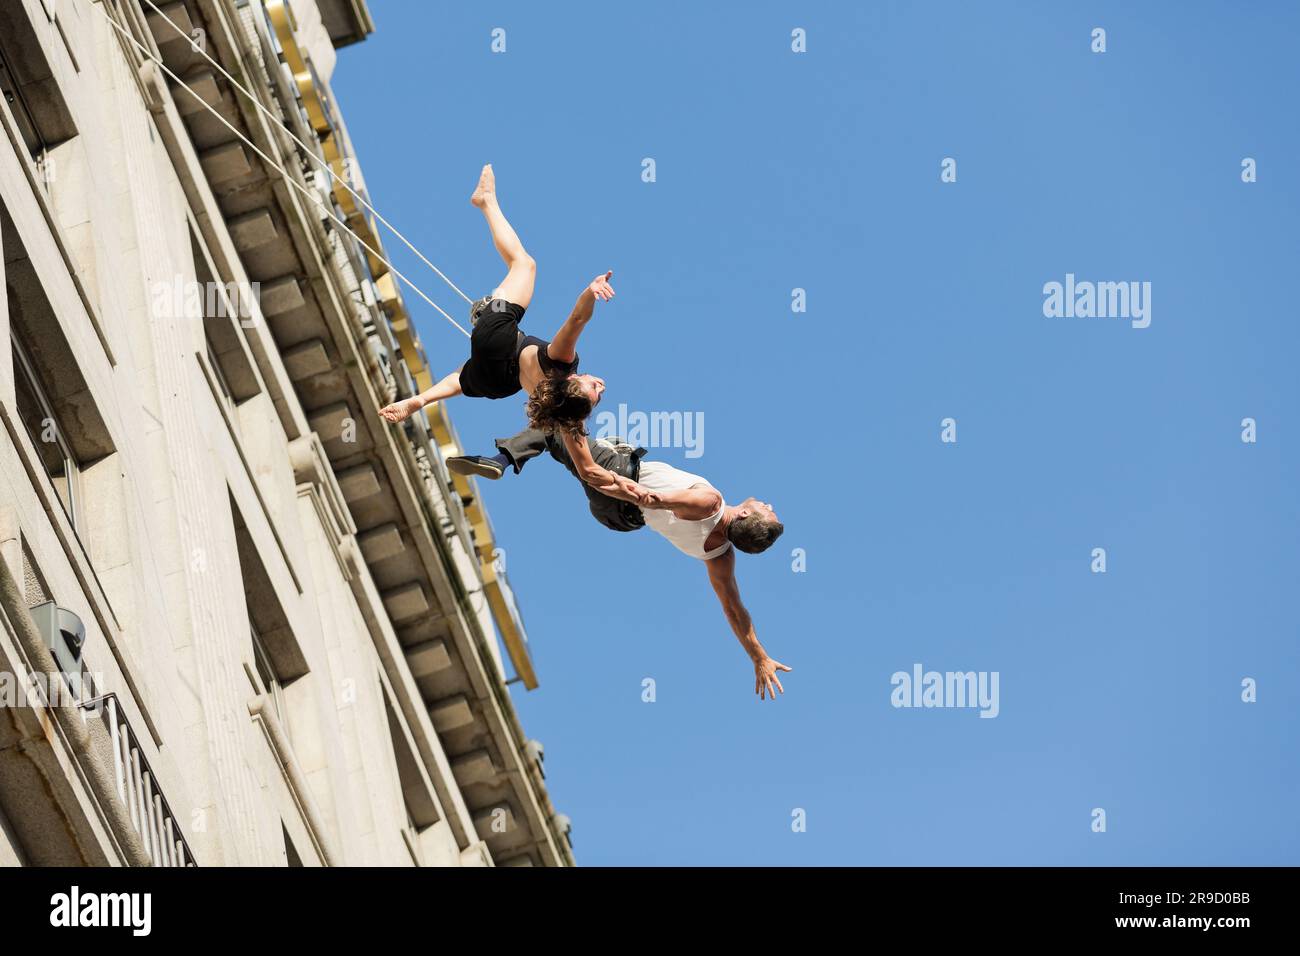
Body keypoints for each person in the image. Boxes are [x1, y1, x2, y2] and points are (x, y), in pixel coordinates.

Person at [448, 431, 792, 699]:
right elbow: (734, 610)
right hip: (619, 520)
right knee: (562, 443)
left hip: (620, 482)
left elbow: (656, 498)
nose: (768, 502)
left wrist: (609, 477)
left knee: (555, 428)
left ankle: (500, 459)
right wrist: (758, 656)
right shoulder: (720, 556)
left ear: (746, 513)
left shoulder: (711, 502)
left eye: (767, 508)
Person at [378, 164, 641, 500]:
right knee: (466, 378)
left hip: (500, 336)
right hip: (499, 382)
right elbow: (588, 471)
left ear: (575, 382)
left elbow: (576, 321)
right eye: (599, 393)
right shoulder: (565, 421)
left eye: (594, 387)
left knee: (525, 264)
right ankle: (421, 399)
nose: (602, 386)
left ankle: (485, 200)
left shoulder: (561, 362)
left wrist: (591, 291)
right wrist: (632, 490)